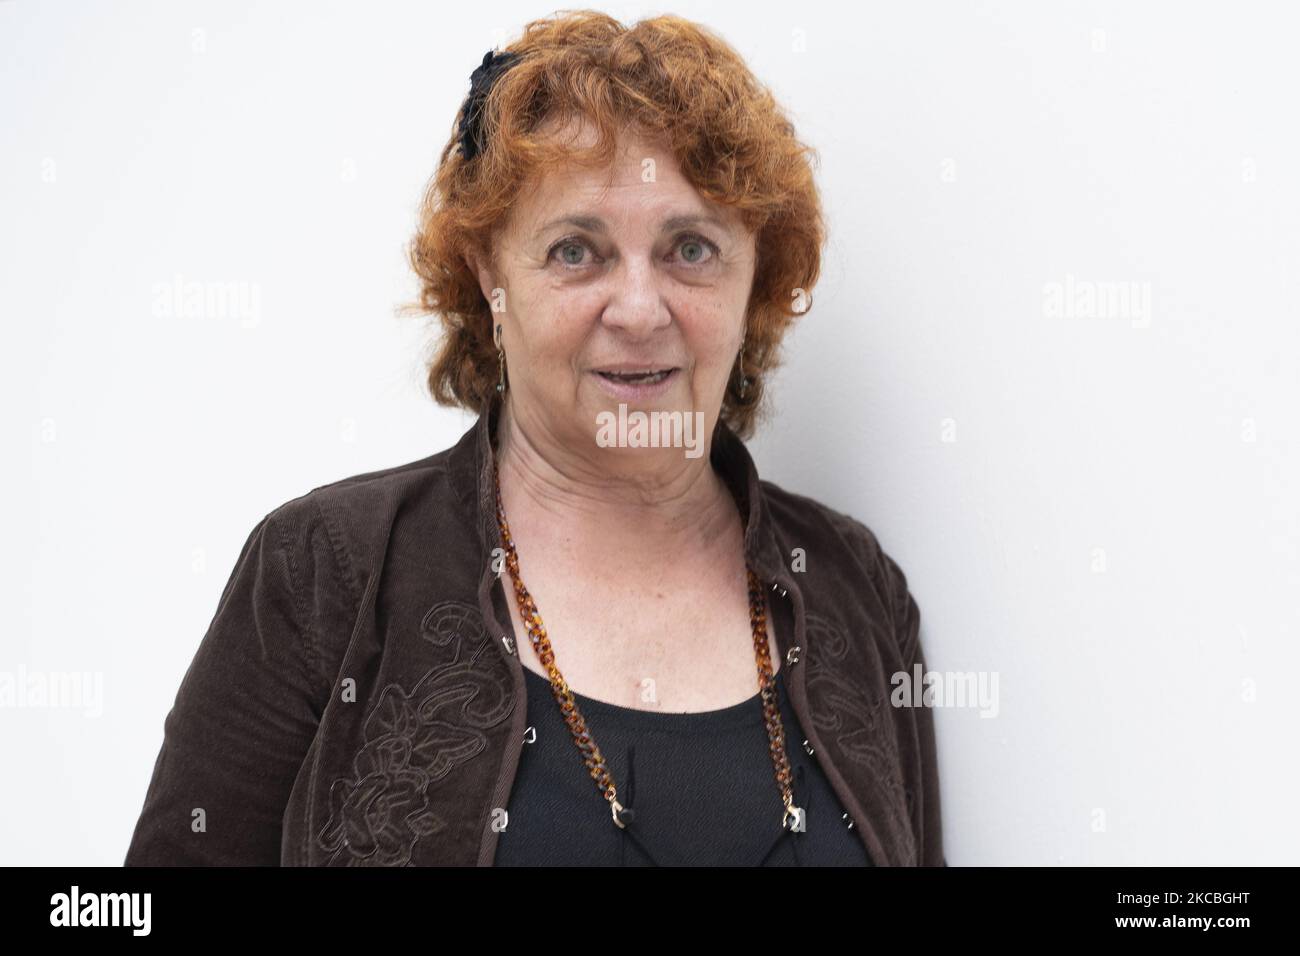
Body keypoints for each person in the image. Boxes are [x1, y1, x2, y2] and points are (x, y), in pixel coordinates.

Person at [124, 10, 944, 867]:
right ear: (489, 274)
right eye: (576, 251)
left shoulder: (856, 589)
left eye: (691, 248)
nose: (638, 309)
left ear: (758, 278)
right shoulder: (325, 571)